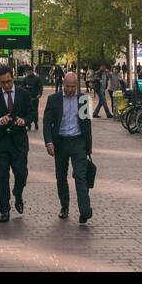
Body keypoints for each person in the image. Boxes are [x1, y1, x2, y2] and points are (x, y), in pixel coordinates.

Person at [43, 70, 93, 223]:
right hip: (61, 142)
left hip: (78, 142)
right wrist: (49, 142)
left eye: (73, 86)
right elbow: (46, 123)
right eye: (67, 86)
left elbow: (87, 124)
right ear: (63, 84)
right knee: (61, 176)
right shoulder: (53, 100)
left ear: (77, 85)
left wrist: (88, 148)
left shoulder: (84, 99)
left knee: (80, 176)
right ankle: (64, 206)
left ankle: (84, 210)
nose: (70, 89)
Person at [0, 64, 34, 223]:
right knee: (2, 177)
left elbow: (31, 114)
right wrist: (0, 120)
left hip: (18, 142)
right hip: (0, 142)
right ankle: (4, 209)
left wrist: (25, 121)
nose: (6, 85)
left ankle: (18, 193)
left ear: (12, 78)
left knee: (21, 173)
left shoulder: (24, 94)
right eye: (2, 83)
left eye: (8, 81)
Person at [23, 64, 44, 131]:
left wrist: (40, 94)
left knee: (35, 111)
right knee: (28, 111)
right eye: (27, 72)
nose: (28, 73)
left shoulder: (37, 79)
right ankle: (28, 125)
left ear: (32, 71)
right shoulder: (25, 79)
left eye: (29, 72)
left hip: (35, 97)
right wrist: (26, 87)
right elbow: (22, 87)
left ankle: (36, 123)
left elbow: (40, 87)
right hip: (27, 98)